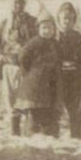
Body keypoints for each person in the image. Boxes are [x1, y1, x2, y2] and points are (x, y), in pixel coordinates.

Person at [13, 13, 69, 141]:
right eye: (44, 28)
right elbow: (23, 57)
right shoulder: (34, 43)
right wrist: (32, 72)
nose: (47, 31)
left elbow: (60, 60)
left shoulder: (56, 44)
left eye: (50, 28)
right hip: (36, 85)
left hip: (52, 85)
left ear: (54, 29)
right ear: (38, 29)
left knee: (51, 115)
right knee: (35, 114)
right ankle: (32, 140)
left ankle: (51, 139)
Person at [0, 0, 39, 133]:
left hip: (25, 67)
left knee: (26, 99)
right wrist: (1, 54)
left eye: (20, 3)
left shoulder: (31, 21)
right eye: (14, 3)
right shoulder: (6, 22)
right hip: (8, 65)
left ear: (24, 4)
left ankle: (29, 132)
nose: (17, 6)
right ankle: (14, 133)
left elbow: (36, 41)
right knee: (11, 100)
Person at [50, 3, 81, 140]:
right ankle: (53, 141)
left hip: (75, 81)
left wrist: (76, 67)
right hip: (58, 81)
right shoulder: (53, 38)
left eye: (70, 19)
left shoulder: (79, 38)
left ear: (74, 20)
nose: (67, 22)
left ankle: (77, 139)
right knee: (54, 113)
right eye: (64, 18)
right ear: (59, 19)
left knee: (77, 113)